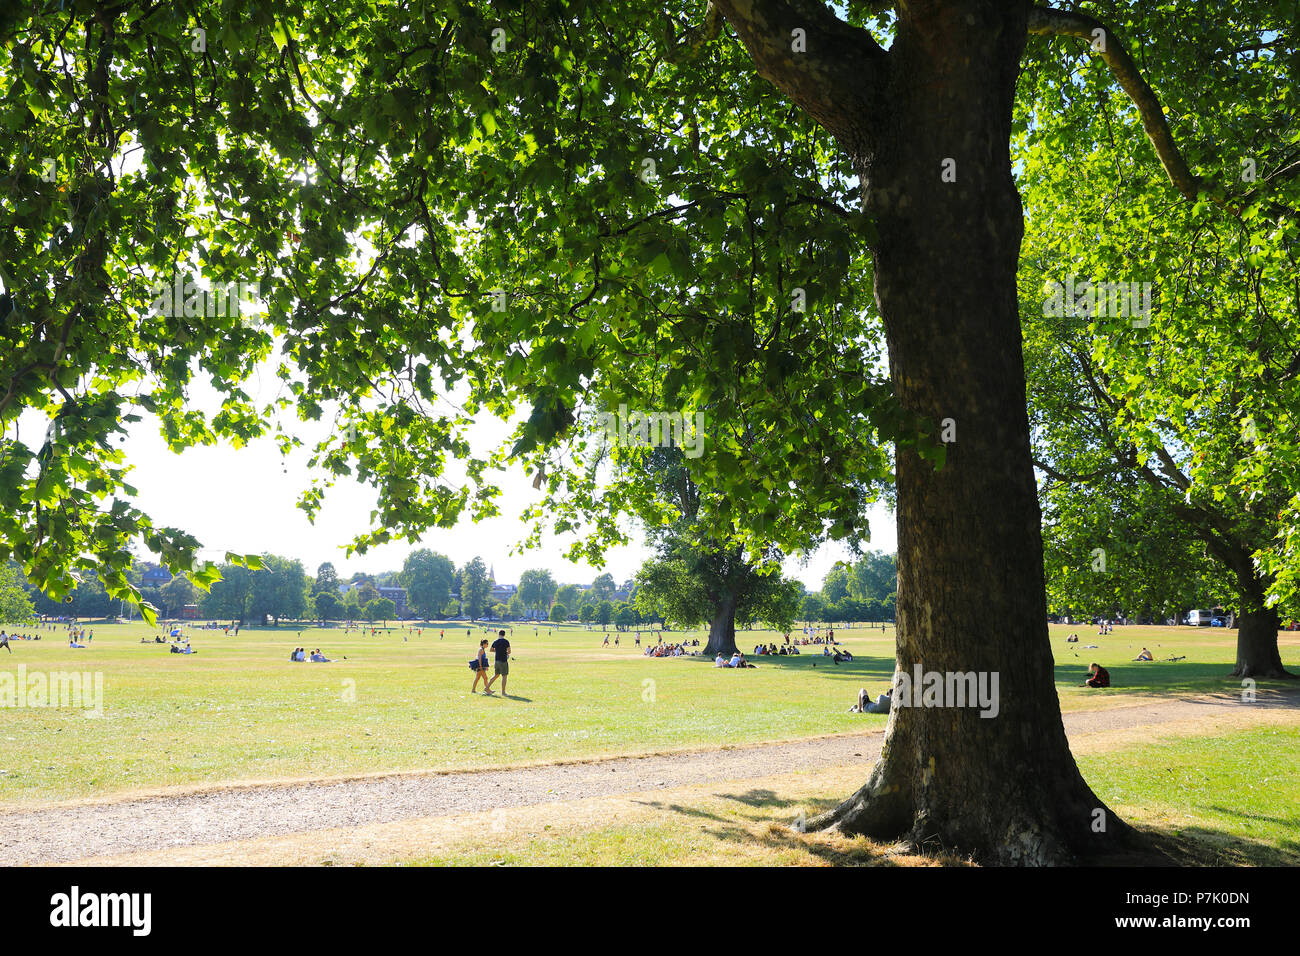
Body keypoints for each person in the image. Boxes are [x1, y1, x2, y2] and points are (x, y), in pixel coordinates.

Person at [486, 630, 511, 695]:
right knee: (504, 676)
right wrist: (505, 653)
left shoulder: (495, 641)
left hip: (497, 661)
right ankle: (503, 692)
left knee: (496, 675)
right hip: (503, 661)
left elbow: (491, 650)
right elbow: (509, 651)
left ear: (499, 634)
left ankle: (487, 687)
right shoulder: (506, 641)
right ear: (504, 634)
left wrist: (497, 651)